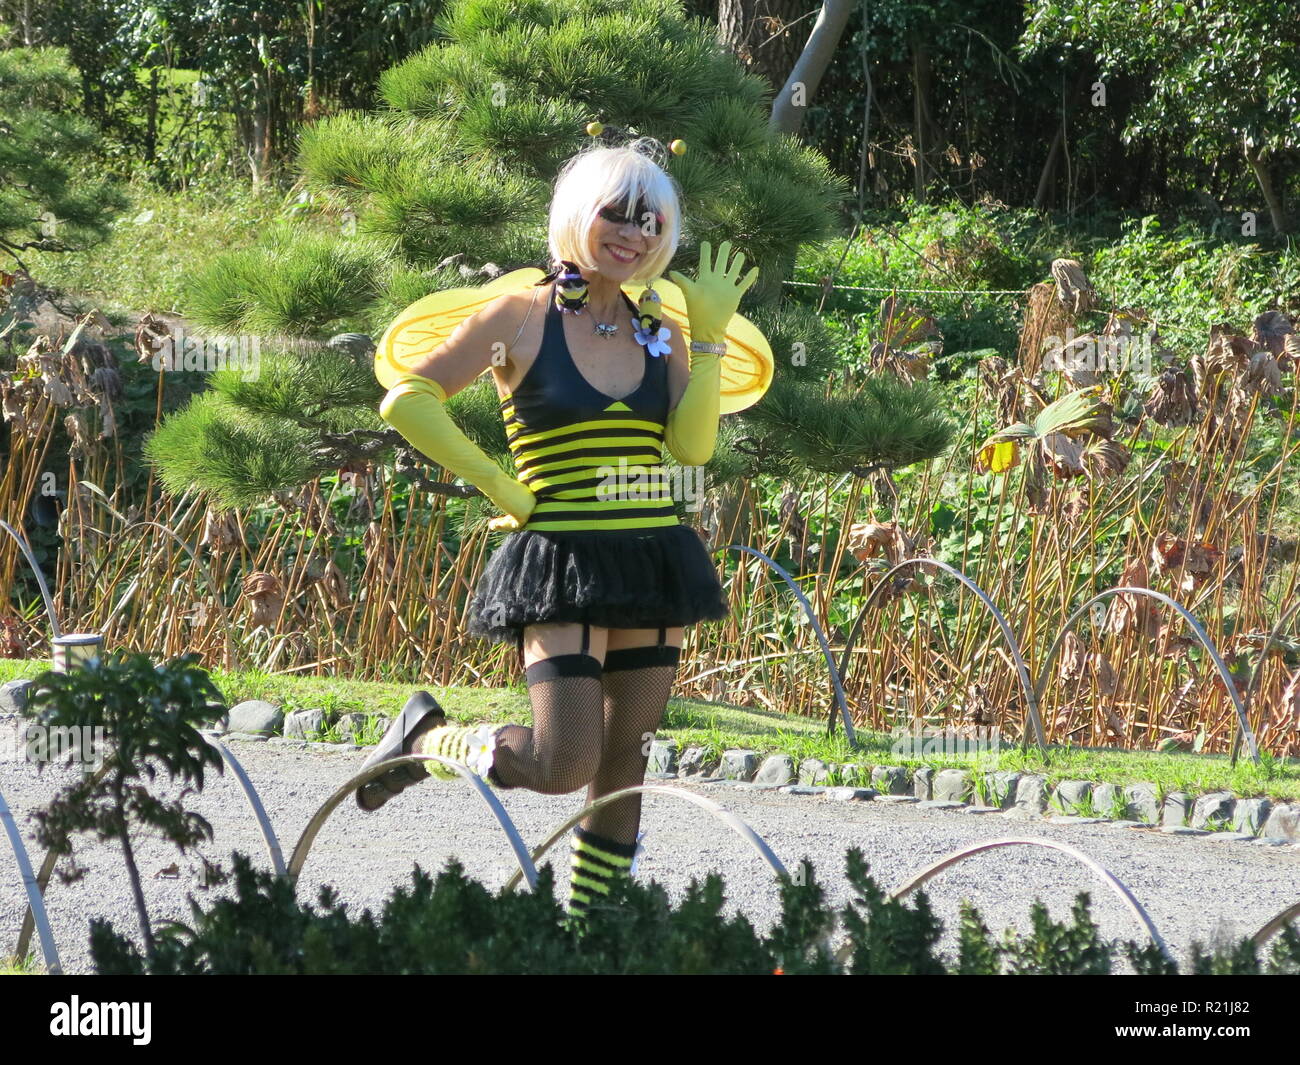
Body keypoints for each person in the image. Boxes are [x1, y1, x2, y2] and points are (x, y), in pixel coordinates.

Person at [357, 135, 758, 924]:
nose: (634, 233)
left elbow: (693, 449)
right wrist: (500, 482)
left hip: (654, 557)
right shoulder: (520, 314)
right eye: (617, 213)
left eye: (651, 221)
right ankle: (426, 740)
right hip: (563, 557)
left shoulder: (662, 330)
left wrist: (706, 338)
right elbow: (407, 398)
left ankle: (590, 934)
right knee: (559, 761)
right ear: (580, 215)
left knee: (624, 767)